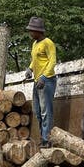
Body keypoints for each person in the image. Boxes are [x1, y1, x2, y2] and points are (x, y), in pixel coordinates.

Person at [24, 16, 57, 147]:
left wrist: (44, 76)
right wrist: (30, 68)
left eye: (32, 30)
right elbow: (35, 59)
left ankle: (46, 139)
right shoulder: (35, 44)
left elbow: (52, 61)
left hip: (47, 81)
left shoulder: (48, 43)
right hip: (37, 81)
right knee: (37, 111)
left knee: (45, 111)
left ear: (38, 31)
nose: (30, 33)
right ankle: (43, 137)